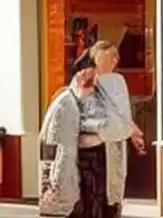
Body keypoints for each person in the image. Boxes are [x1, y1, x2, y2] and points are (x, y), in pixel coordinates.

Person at [39, 52, 132, 218]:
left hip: (103, 172)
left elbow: (122, 126)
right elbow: (58, 143)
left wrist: (99, 135)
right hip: (76, 171)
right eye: (86, 72)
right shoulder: (66, 101)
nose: (91, 77)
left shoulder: (105, 98)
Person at [89, 40, 146, 215]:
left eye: (115, 56)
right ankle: (111, 206)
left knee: (115, 175)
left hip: (111, 135)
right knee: (111, 177)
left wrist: (133, 131)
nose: (114, 60)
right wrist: (133, 131)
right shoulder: (99, 80)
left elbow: (123, 110)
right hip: (103, 137)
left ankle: (112, 205)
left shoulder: (114, 79)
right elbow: (121, 110)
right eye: (109, 56)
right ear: (97, 57)